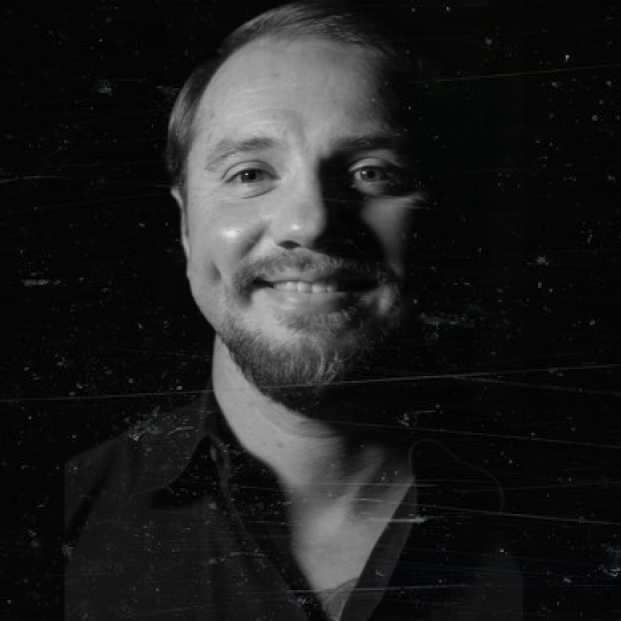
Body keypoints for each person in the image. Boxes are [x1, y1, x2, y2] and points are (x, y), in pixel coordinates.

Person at [65, 2, 522, 619]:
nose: (309, 223)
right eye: (250, 173)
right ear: (184, 226)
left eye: (372, 173)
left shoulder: (581, 512)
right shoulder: (61, 521)